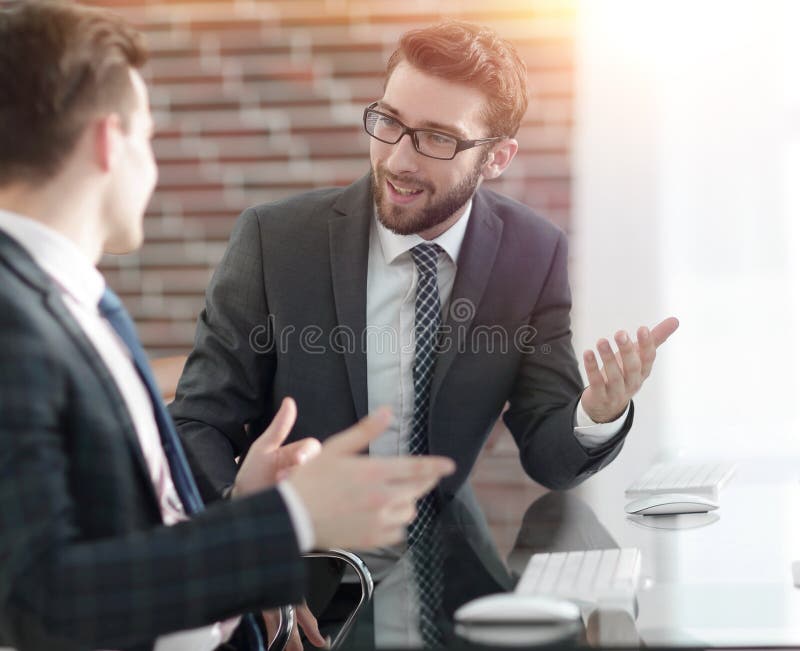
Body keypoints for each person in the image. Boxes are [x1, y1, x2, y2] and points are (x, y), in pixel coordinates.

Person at [170, 19, 679, 647]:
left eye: (438, 137)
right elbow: (197, 424)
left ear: (497, 157)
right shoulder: (275, 242)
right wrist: (246, 537)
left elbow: (549, 453)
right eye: (389, 122)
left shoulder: (531, 252)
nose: (399, 159)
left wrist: (595, 414)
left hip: (457, 572)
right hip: (304, 578)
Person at [0, 3, 456, 651]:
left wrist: (246, 504)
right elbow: (37, 600)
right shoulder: (13, 320)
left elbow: (123, 532)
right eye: (148, 137)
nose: (153, 165)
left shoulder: (66, 301)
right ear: (108, 141)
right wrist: (289, 519)